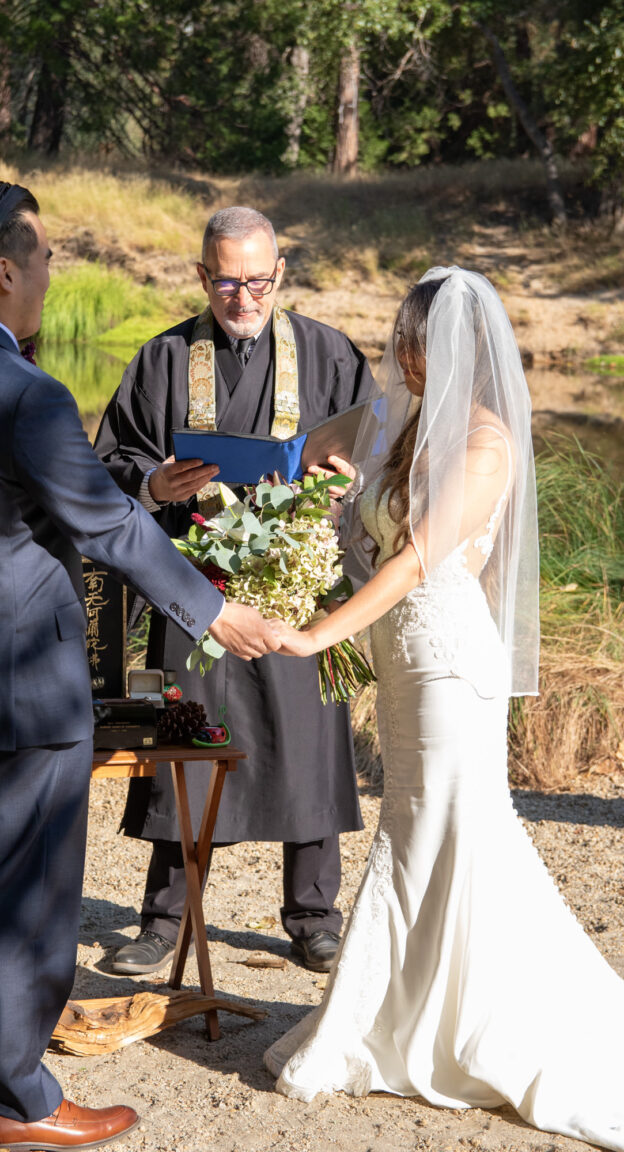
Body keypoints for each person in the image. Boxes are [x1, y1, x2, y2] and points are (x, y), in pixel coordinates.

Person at [0, 181, 278, 1152]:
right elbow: (108, 526)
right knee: (28, 883)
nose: (54, 272)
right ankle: (18, 1099)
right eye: (46, 255)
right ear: (6, 269)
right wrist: (217, 613)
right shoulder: (27, 394)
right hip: (28, 678)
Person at [263, 267, 624, 1150]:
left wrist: (317, 634)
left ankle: (443, 1027)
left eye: (416, 342)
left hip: (449, 661)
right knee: (419, 829)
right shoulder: (399, 418)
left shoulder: (488, 441)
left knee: (450, 831)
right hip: (399, 661)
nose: (401, 355)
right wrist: (307, 502)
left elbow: (419, 559)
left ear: (456, 347)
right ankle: (411, 1017)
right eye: (399, 339)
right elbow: (307, 450)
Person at [94, 206, 375, 976]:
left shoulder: (331, 354)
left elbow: (378, 458)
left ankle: (313, 914)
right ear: (201, 276)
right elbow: (106, 467)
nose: (242, 296)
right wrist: (154, 481)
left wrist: (344, 485)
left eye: (256, 280)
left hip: (299, 582)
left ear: (280, 273)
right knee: (188, 737)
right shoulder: (161, 361)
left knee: (309, 741)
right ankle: (164, 919)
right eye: (225, 280)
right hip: (194, 585)